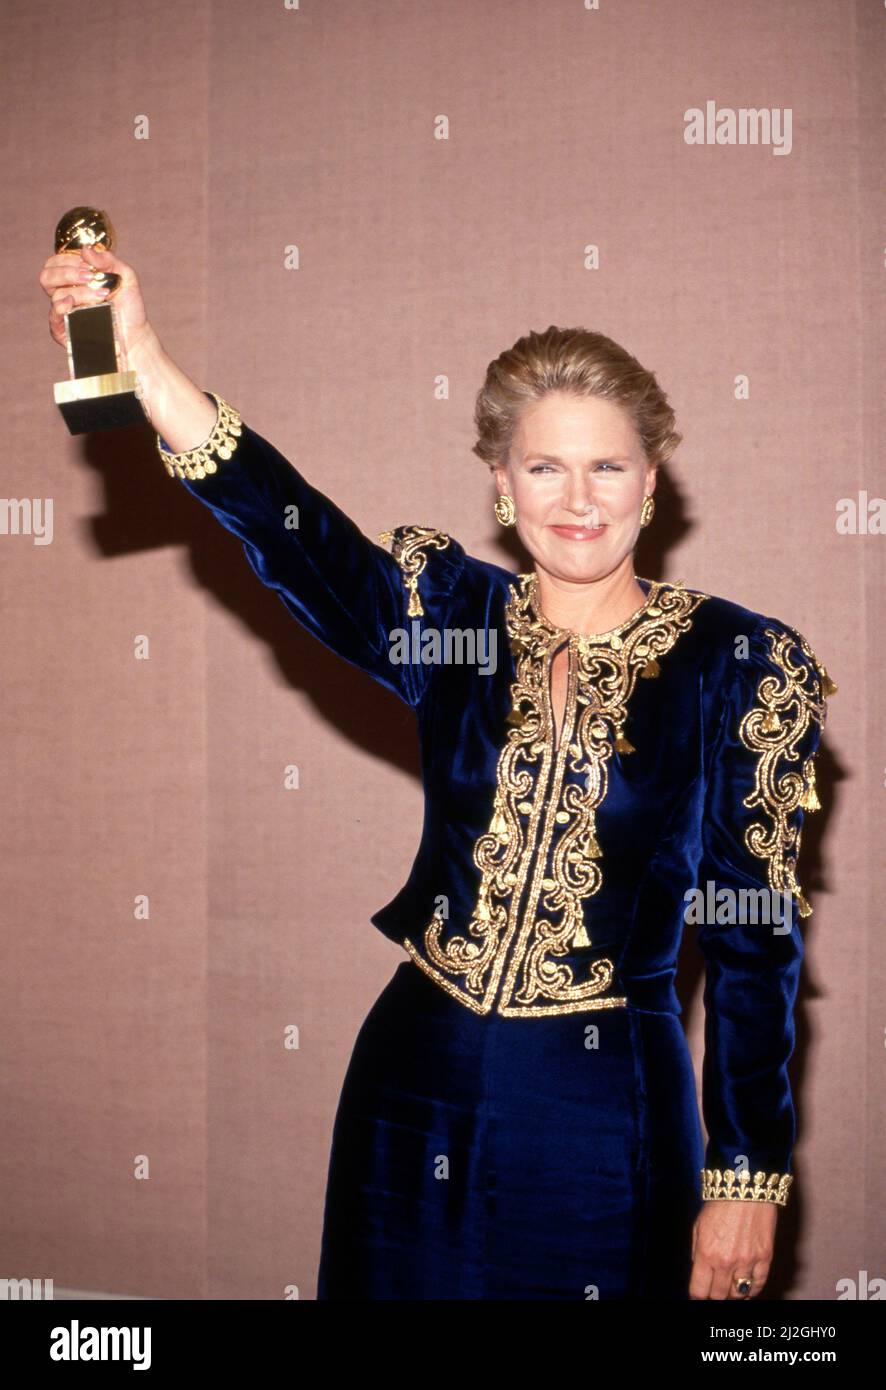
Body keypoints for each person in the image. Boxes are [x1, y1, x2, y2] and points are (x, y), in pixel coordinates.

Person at [40, 246, 836, 1301]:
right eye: (543, 467)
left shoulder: (737, 664)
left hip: (603, 1113)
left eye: (607, 466)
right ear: (502, 487)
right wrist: (142, 359)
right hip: (411, 1081)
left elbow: (752, 935)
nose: (577, 498)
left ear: (652, 480)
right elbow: (299, 539)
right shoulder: (455, 620)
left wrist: (747, 1171)